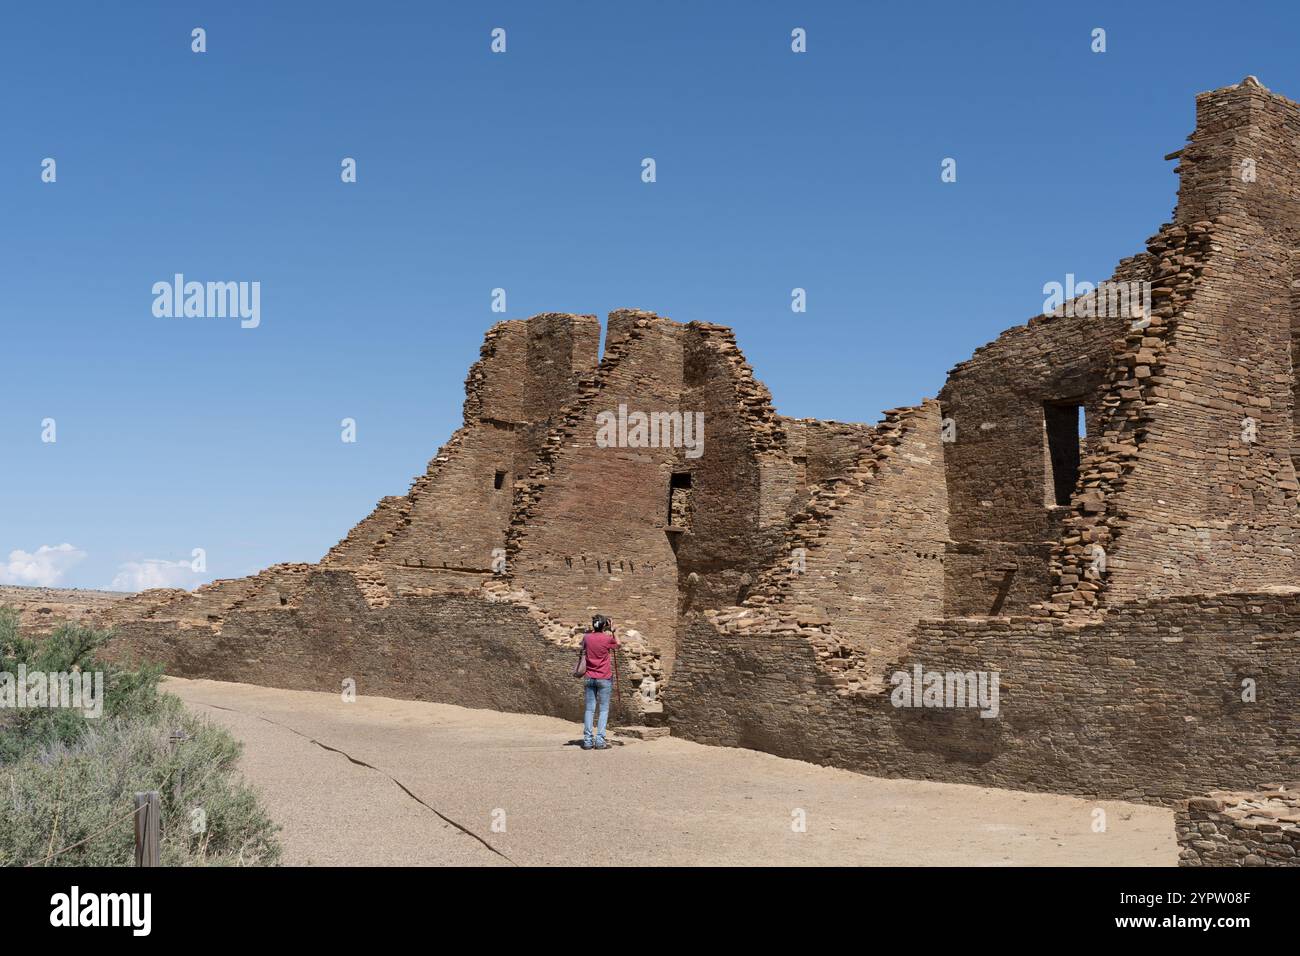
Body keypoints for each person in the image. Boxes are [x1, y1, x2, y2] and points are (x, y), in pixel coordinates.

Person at [580, 614, 618, 750]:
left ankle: (588, 741)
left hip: (589, 677)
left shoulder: (587, 638)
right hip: (604, 678)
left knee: (589, 709)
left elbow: (583, 646)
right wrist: (613, 631)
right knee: (603, 710)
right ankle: (600, 741)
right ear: (604, 625)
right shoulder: (607, 639)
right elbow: (617, 645)